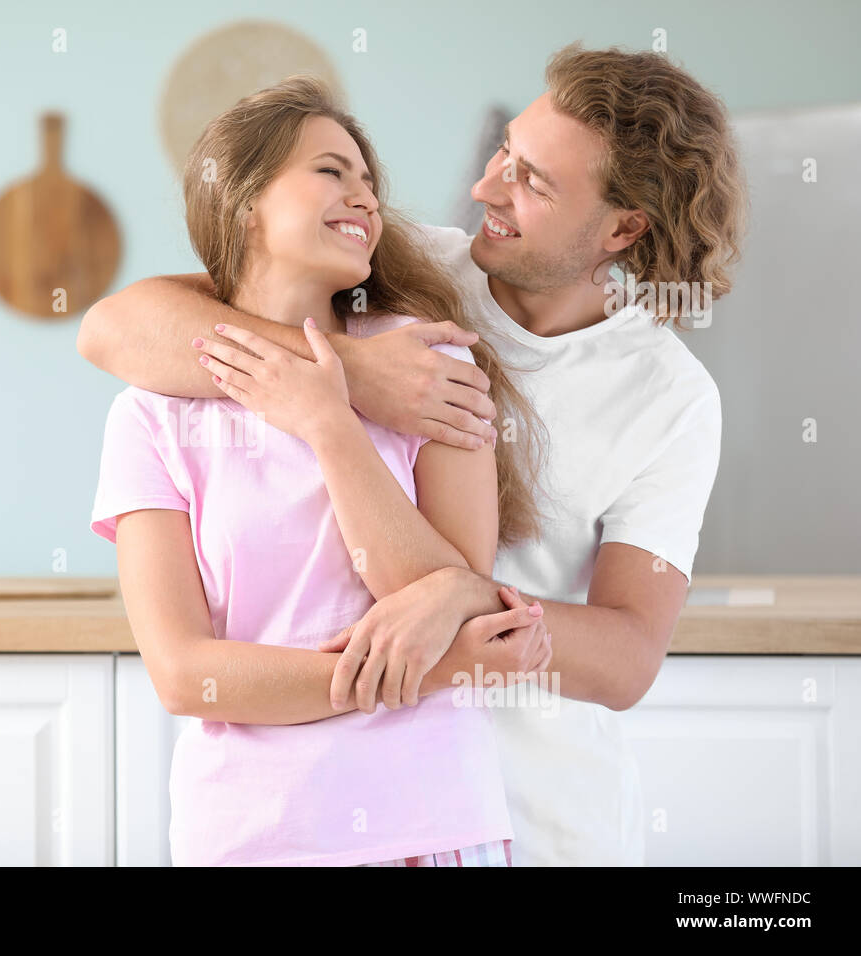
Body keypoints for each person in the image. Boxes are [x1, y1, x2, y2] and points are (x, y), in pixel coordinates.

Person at [80, 43, 747, 865]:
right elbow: (118, 327)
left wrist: (463, 601)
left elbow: (628, 657)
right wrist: (349, 373)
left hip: (542, 817)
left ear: (622, 227)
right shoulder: (407, 270)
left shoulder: (671, 399)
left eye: (533, 181)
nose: (485, 188)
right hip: (314, 807)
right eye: (507, 152)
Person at [89, 75, 552, 866]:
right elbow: (185, 675)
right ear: (244, 203)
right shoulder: (152, 416)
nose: (365, 197)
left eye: (370, 180)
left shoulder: (430, 369)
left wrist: (328, 424)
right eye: (332, 171)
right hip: (249, 834)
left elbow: (456, 603)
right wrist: (428, 662)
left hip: (431, 825)